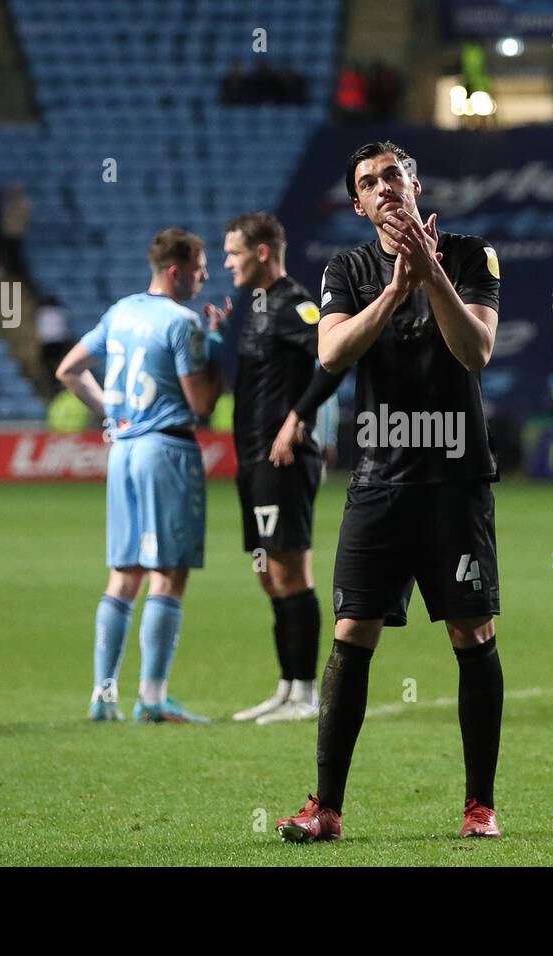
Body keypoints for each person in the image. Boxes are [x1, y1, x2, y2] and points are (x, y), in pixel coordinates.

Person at [275, 140, 504, 843]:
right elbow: (332, 353)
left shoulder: (470, 256)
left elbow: (477, 352)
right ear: (358, 203)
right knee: (352, 632)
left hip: (456, 482)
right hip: (379, 481)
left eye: (392, 176)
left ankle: (479, 808)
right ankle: (327, 809)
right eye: (368, 182)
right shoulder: (346, 268)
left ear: (414, 183)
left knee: (473, 631)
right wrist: (395, 290)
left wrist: (429, 272)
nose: (383, 188)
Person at [55, 228, 224, 723]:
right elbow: (203, 404)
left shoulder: (121, 311)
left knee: (123, 574)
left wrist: (111, 407)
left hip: (123, 449)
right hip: (165, 449)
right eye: (200, 267)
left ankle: (102, 695)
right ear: (176, 271)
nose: (206, 275)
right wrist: (214, 343)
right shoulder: (184, 323)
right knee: (168, 574)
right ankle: (152, 697)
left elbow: (68, 370)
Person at [210, 211, 344, 725]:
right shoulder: (256, 306)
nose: (228, 263)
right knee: (267, 572)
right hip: (251, 458)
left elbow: (336, 358)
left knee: (291, 571)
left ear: (262, 252)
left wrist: (298, 418)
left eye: (234, 252)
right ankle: (287, 687)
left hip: (283, 457)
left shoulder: (297, 305)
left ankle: (307, 693)